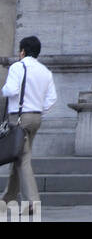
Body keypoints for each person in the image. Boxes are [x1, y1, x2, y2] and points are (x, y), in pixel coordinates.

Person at [1, 35, 57, 213]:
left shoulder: (18, 66)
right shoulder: (45, 71)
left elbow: (11, 90)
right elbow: (52, 99)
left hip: (18, 118)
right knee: (18, 155)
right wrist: (38, 110)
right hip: (36, 117)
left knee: (22, 158)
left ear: (22, 51)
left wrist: (3, 90)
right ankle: (8, 197)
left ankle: (33, 202)